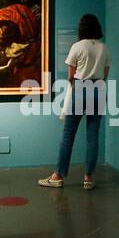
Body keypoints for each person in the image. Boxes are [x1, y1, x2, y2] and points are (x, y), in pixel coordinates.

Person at [38, 14, 110, 191]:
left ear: (81, 28)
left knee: (68, 134)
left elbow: (71, 76)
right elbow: (105, 74)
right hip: (98, 89)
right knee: (93, 135)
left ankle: (58, 176)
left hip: (80, 88)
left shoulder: (77, 46)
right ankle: (88, 178)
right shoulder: (104, 48)